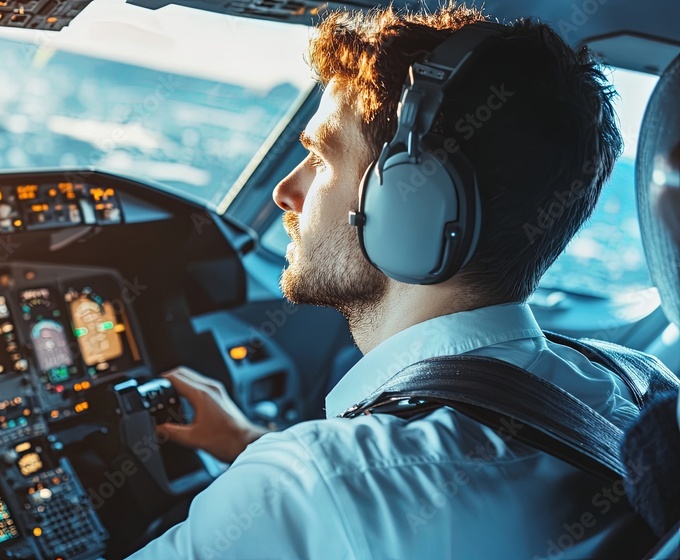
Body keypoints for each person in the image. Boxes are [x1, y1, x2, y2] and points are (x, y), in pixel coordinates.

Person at [129, 4, 637, 559]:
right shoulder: (637, 390)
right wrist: (247, 444)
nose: (284, 193)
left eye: (321, 159)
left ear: (409, 202)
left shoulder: (312, 486)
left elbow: (335, 496)